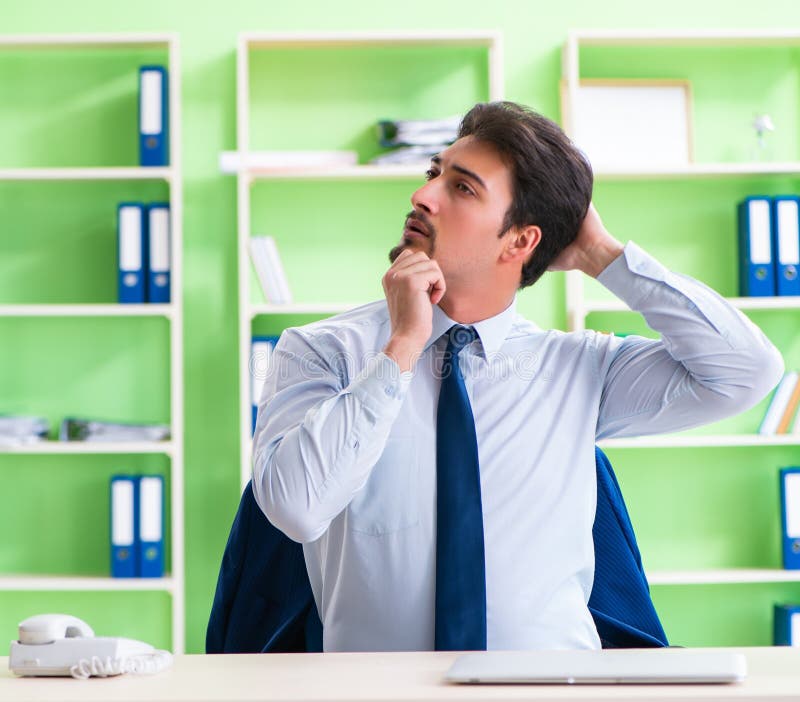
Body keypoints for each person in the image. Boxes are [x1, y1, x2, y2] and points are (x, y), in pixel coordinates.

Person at [251, 101, 783, 652]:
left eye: (463, 188)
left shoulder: (580, 370)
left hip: (555, 687)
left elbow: (747, 370)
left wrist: (603, 255)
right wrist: (403, 346)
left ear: (521, 241)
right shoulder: (318, 351)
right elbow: (295, 506)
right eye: (434, 173)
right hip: (380, 689)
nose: (422, 196)